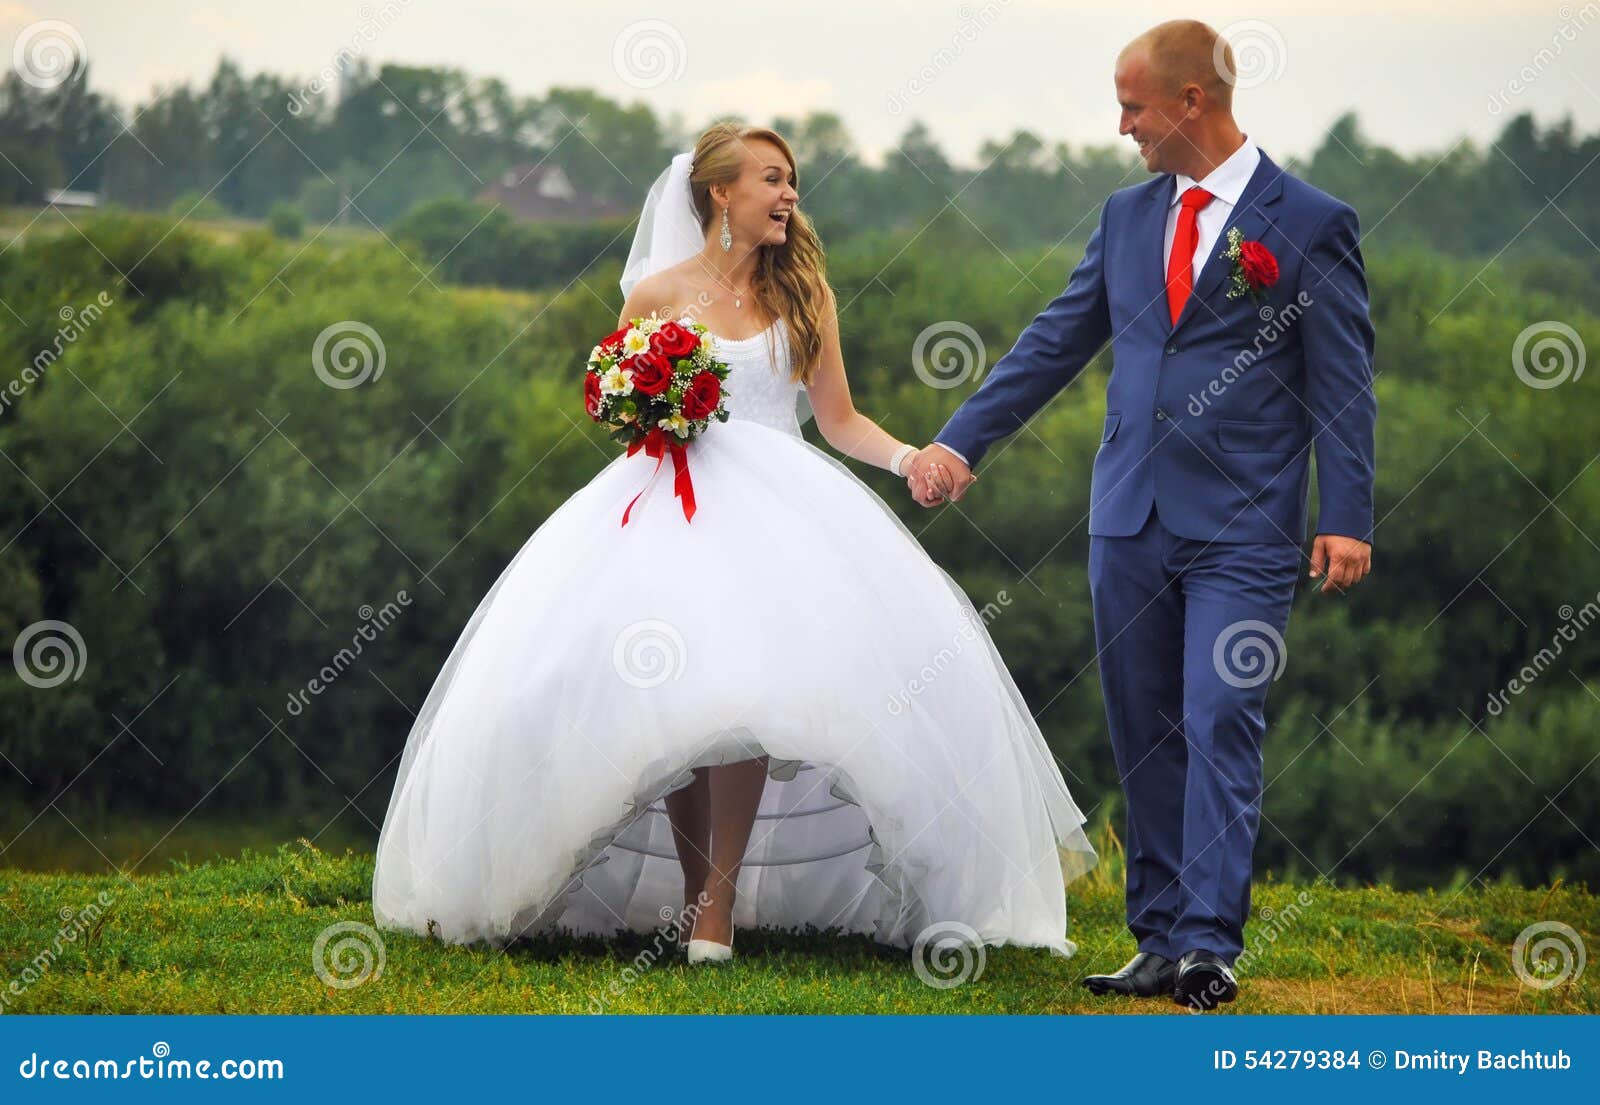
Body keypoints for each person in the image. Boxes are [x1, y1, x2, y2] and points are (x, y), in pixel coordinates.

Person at [371, 120, 1097, 968]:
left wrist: (910, 460)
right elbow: (614, 406)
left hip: (781, 511)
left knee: (749, 694)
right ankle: (690, 899)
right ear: (722, 193)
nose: (789, 195)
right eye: (771, 179)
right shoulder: (654, 295)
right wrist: (653, 409)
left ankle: (715, 912)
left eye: (792, 181)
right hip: (670, 507)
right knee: (680, 701)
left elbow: (838, 420)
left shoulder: (807, 294)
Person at [911, 20, 1377, 1010]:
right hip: (1126, 514)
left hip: (1246, 526)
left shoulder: (1308, 220)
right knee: (1143, 726)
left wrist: (1347, 513)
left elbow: (1344, 383)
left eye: (1133, 106)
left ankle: (1209, 943)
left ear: (1191, 104)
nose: (1121, 126)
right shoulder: (1126, 216)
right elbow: (1056, 338)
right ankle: (1159, 937)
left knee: (1220, 712)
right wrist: (959, 440)